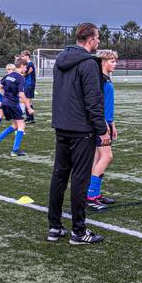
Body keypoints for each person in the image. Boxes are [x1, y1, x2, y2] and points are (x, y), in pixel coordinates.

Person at [47, 22, 108, 245]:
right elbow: (93, 99)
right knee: (80, 180)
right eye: (98, 38)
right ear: (90, 40)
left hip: (62, 126)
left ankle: (54, 227)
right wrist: (101, 130)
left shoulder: (61, 60)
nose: (99, 42)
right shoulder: (89, 63)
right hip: (81, 129)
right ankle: (79, 232)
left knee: (59, 176)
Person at [87, 49, 119, 211]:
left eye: (115, 61)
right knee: (107, 157)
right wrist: (104, 124)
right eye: (112, 61)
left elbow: (107, 104)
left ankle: (95, 194)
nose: (115, 63)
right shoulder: (99, 79)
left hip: (106, 122)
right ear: (103, 62)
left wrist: (112, 123)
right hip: (100, 124)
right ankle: (91, 196)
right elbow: (97, 105)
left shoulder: (106, 78)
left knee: (98, 157)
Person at [0, 56, 29, 156]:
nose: (26, 69)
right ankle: (15, 150)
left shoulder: (8, 75)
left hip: (5, 102)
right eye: (25, 67)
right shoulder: (20, 77)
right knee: (21, 125)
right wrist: (29, 107)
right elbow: (21, 94)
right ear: (22, 66)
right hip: (13, 103)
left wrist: (6, 96)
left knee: (15, 125)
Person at [0, 61, 15, 138]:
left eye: (11, 69)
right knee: (1, 114)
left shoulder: (15, 79)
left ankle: (17, 129)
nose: (10, 71)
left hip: (11, 100)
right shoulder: (4, 79)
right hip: (3, 100)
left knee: (14, 115)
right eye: (8, 69)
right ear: (6, 70)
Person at [21, 50, 37, 124]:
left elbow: (25, 74)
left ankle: (30, 118)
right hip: (28, 84)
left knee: (27, 100)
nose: (22, 57)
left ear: (27, 56)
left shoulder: (30, 64)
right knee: (28, 101)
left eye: (23, 56)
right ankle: (30, 118)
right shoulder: (28, 64)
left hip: (29, 84)